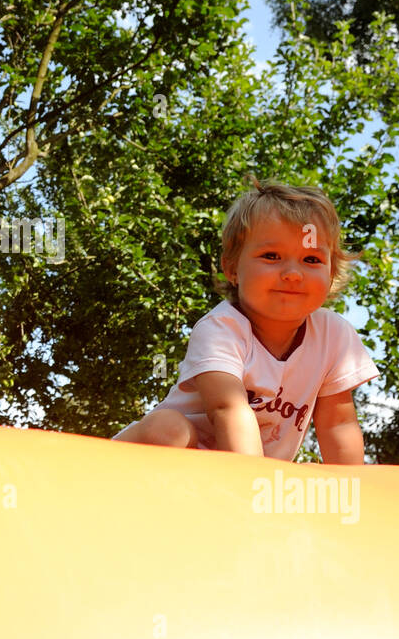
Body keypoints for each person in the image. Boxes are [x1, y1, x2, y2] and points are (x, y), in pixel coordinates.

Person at [113, 177, 379, 464]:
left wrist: (351, 492)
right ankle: (103, 468)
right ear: (232, 268)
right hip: (174, 458)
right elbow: (229, 408)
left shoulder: (333, 335)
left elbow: (337, 425)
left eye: (311, 260)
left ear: (331, 272)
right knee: (167, 428)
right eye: (271, 256)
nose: (292, 273)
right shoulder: (221, 329)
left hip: (233, 476)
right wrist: (254, 486)